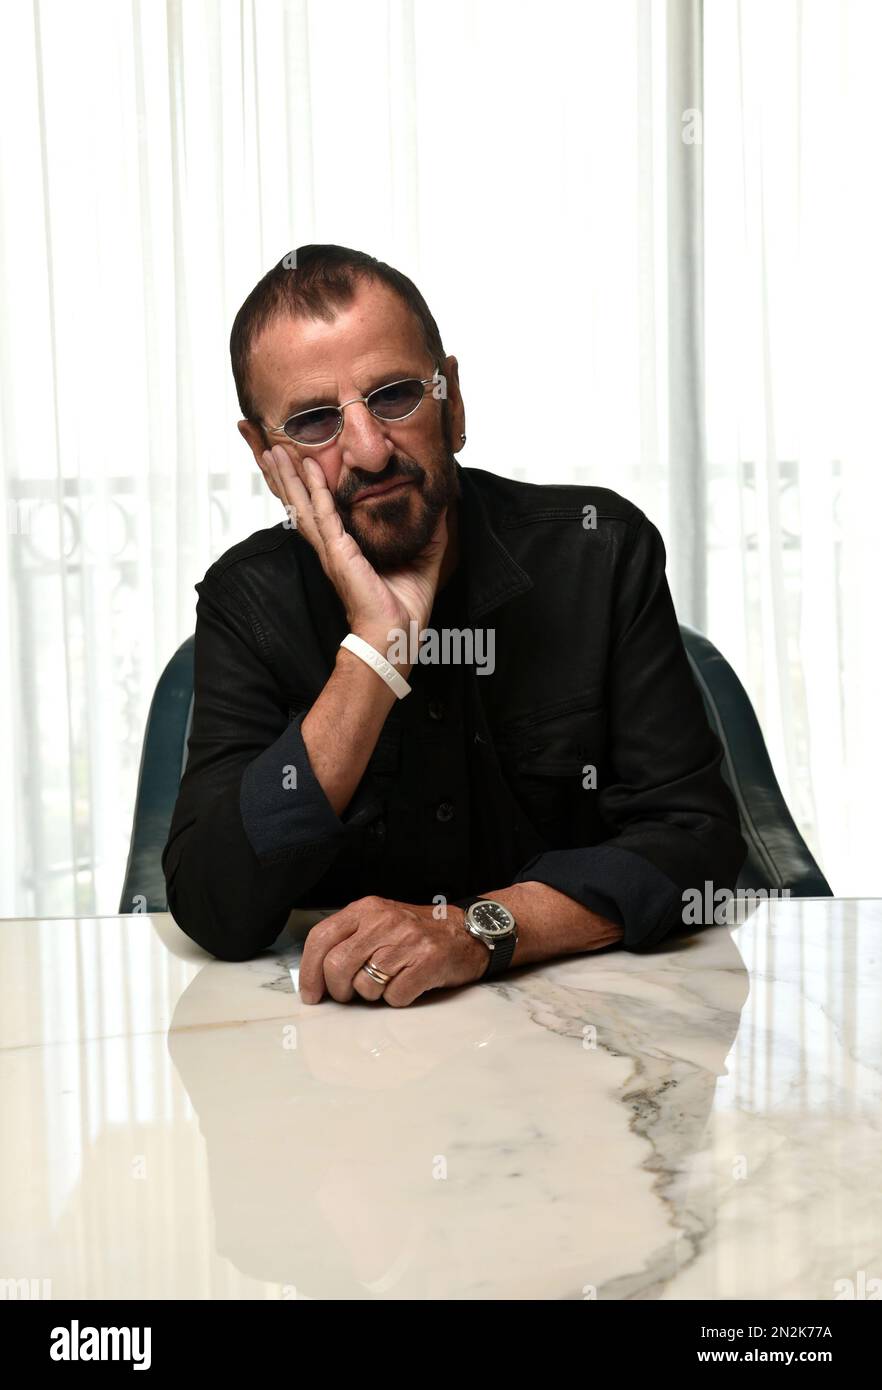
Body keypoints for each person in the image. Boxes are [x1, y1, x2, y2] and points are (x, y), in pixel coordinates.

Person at [162, 244, 746, 1005]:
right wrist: (375, 653)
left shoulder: (601, 554)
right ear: (264, 453)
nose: (370, 450)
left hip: (580, 1048)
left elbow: (695, 843)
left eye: (397, 396)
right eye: (313, 422)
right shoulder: (247, 603)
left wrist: (483, 930)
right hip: (335, 1063)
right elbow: (216, 906)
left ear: (453, 398)